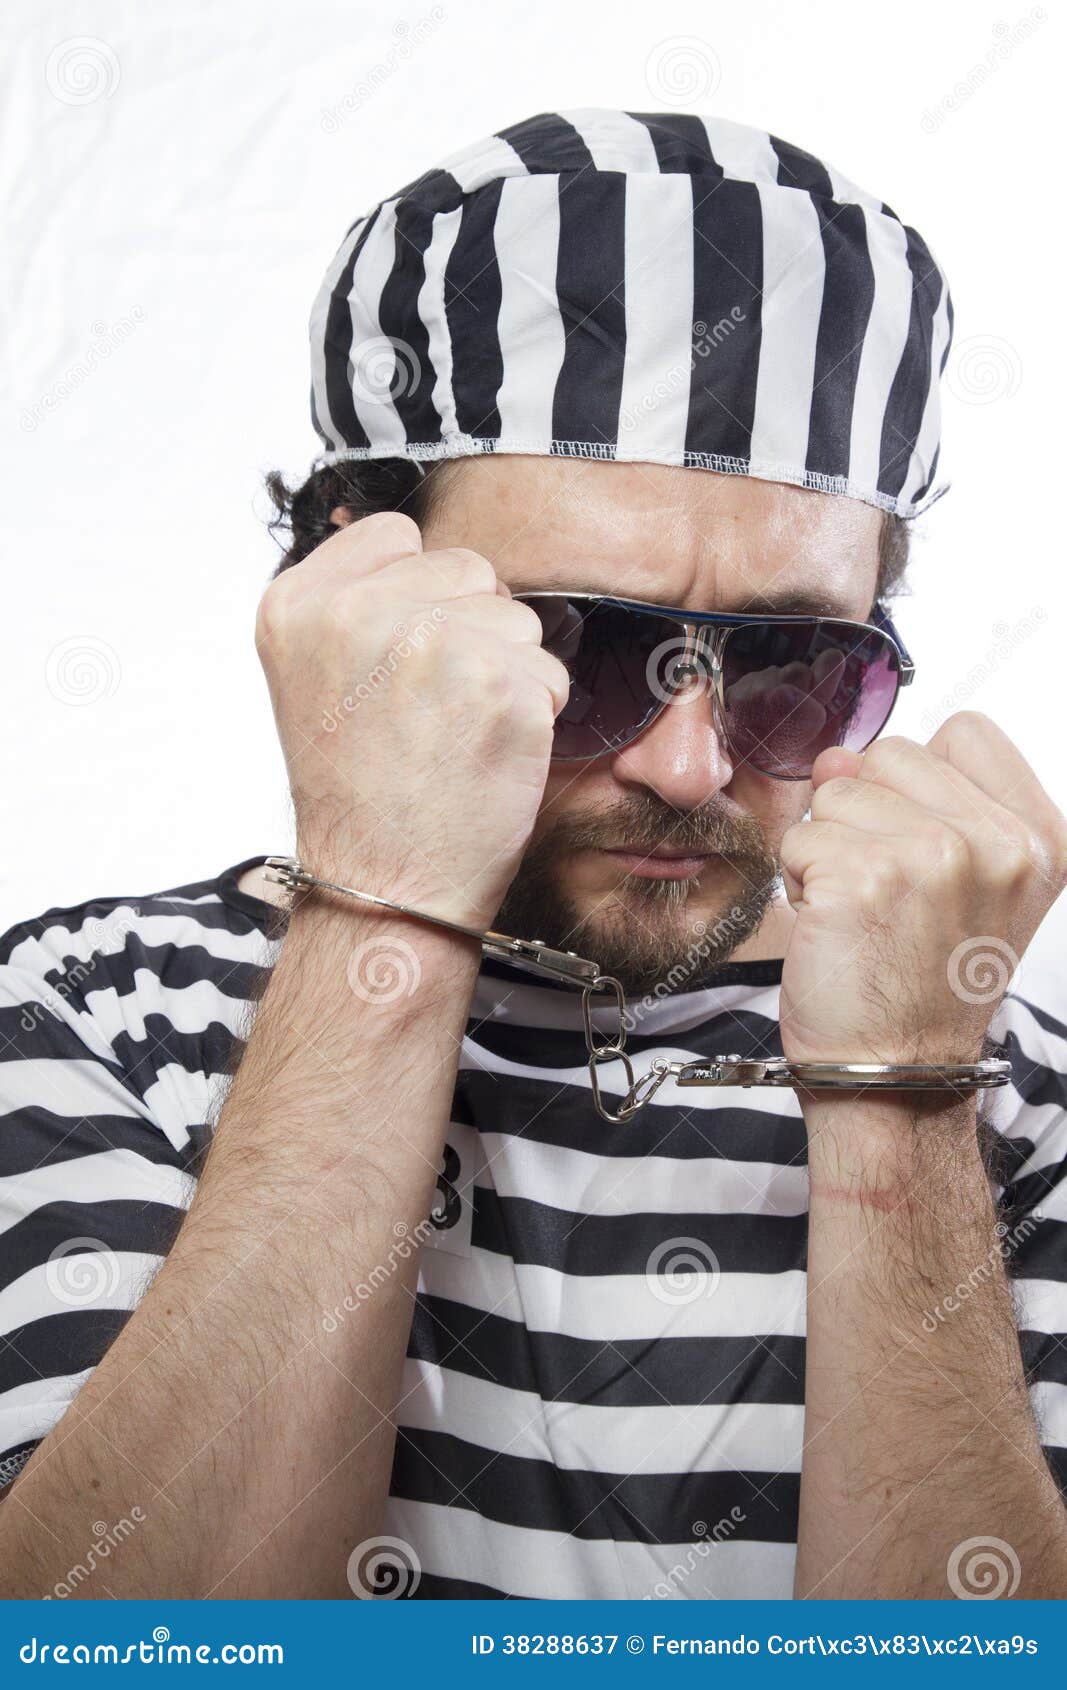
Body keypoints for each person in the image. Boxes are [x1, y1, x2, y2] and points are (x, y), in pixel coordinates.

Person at [1, 109, 1065, 1602]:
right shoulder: (87, 1017)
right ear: (352, 574)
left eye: (794, 665)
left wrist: (900, 1094)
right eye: (585, 639)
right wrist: (392, 897)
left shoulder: (1014, 1110)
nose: (688, 764)